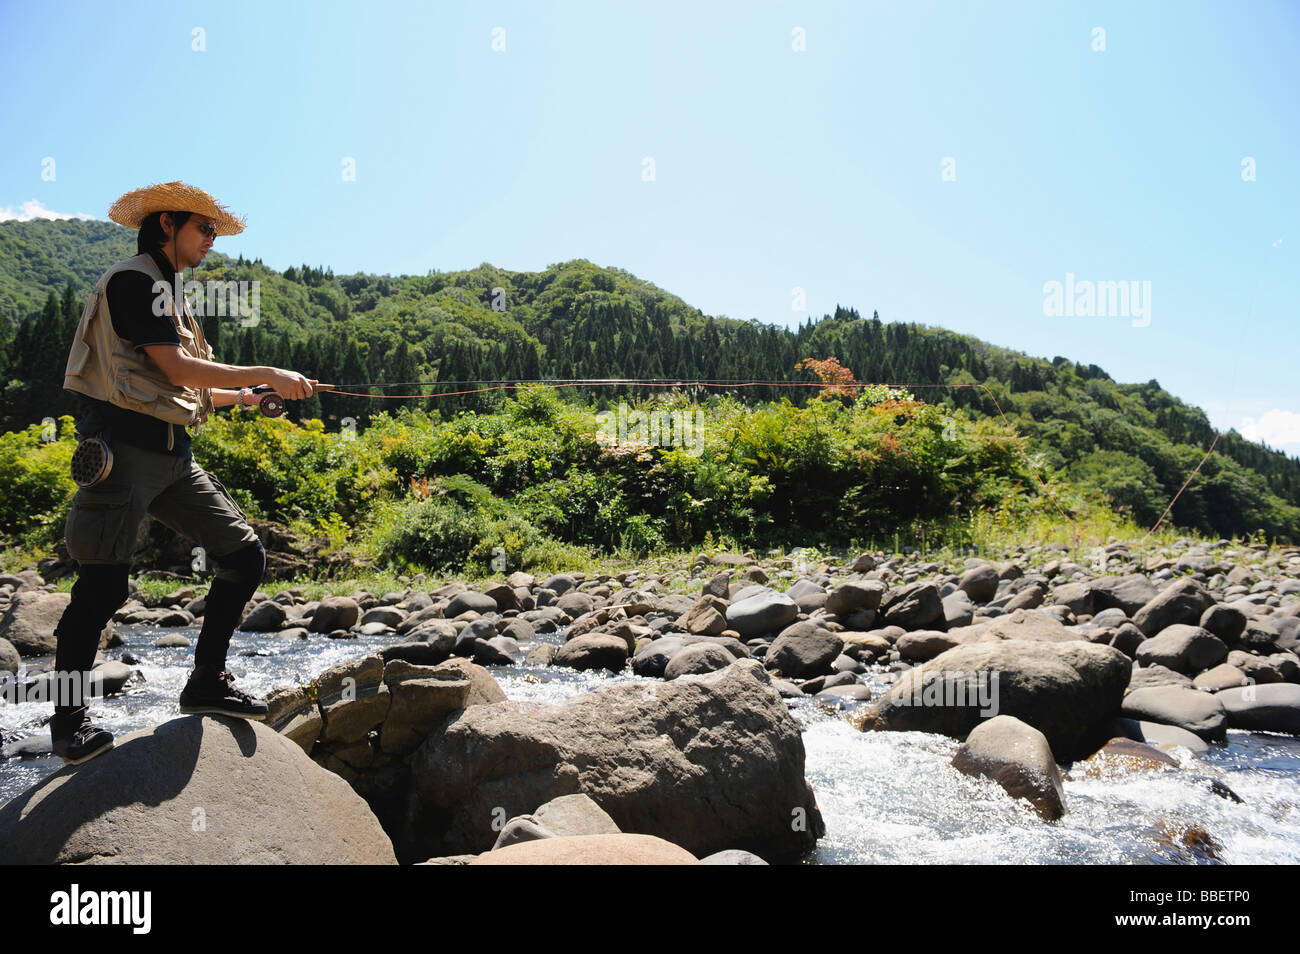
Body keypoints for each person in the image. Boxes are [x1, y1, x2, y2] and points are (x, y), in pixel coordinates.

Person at [49, 181, 316, 764]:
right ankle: (67, 724)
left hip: (173, 457)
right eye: (204, 230)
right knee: (101, 590)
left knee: (244, 556)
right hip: (121, 453)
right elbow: (173, 367)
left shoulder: (169, 293)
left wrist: (247, 397)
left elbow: (182, 388)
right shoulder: (133, 281)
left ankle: (205, 684)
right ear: (168, 223)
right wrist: (269, 371)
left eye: (214, 233)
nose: (211, 243)